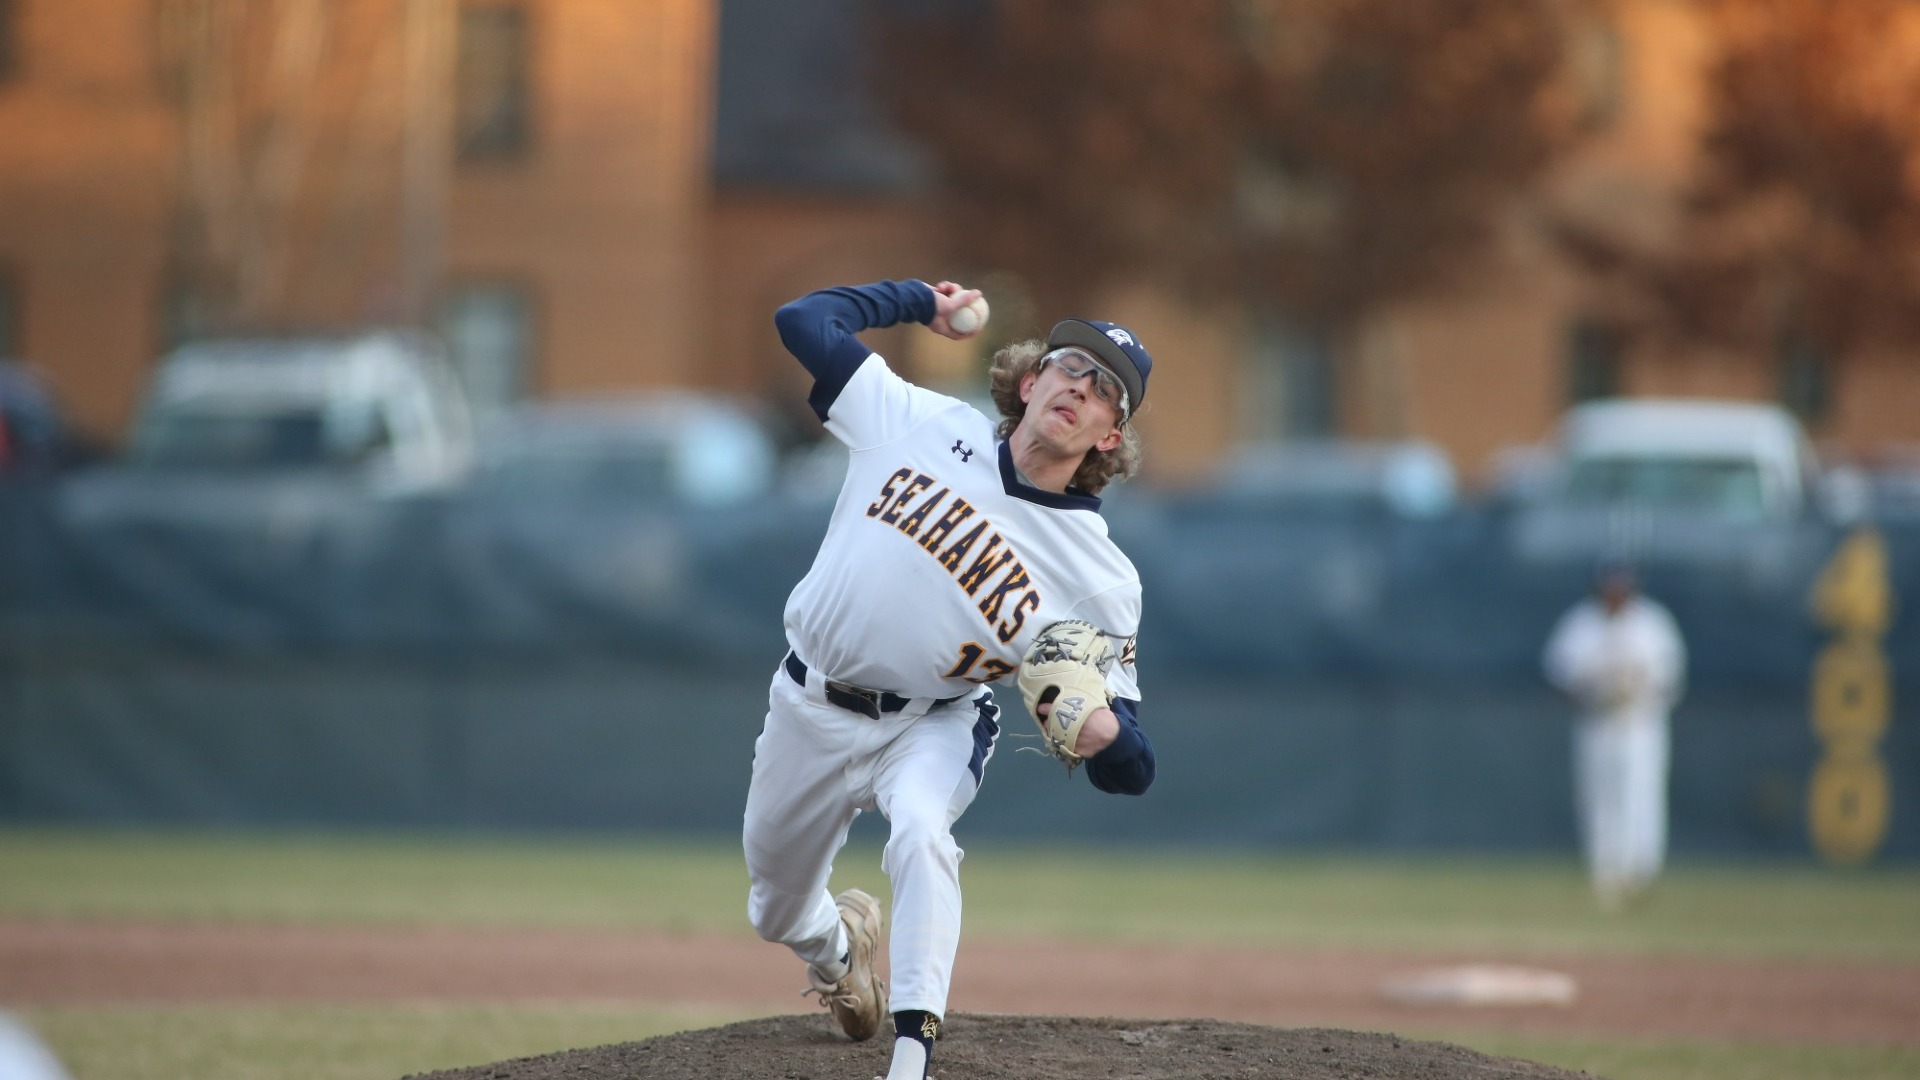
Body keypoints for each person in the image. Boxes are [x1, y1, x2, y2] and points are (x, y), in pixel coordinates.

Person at [744, 278, 1157, 1080]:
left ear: (1111, 437)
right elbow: (799, 319)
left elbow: (1134, 768)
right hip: (808, 701)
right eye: (1070, 365)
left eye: (1107, 389)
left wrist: (1101, 726)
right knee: (774, 909)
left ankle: (910, 1061)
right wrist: (911, 302)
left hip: (931, 722)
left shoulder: (1100, 576)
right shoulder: (920, 420)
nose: (1082, 386)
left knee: (923, 832)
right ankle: (838, 950)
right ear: (1031, 382)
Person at [1542, 564, 1687, 910]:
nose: (1616, 597)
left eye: (1622, 590)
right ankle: (1605, 872)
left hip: (1640, 722)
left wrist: (1637, 692)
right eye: (1610, 590)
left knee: (1641, 793)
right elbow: (1558, 674)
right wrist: (1593, 693)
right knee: (1600, 797)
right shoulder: (1582, 623)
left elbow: (1670, 678)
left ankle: (1641, 870)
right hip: (1597, 722)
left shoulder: (1652, 623)